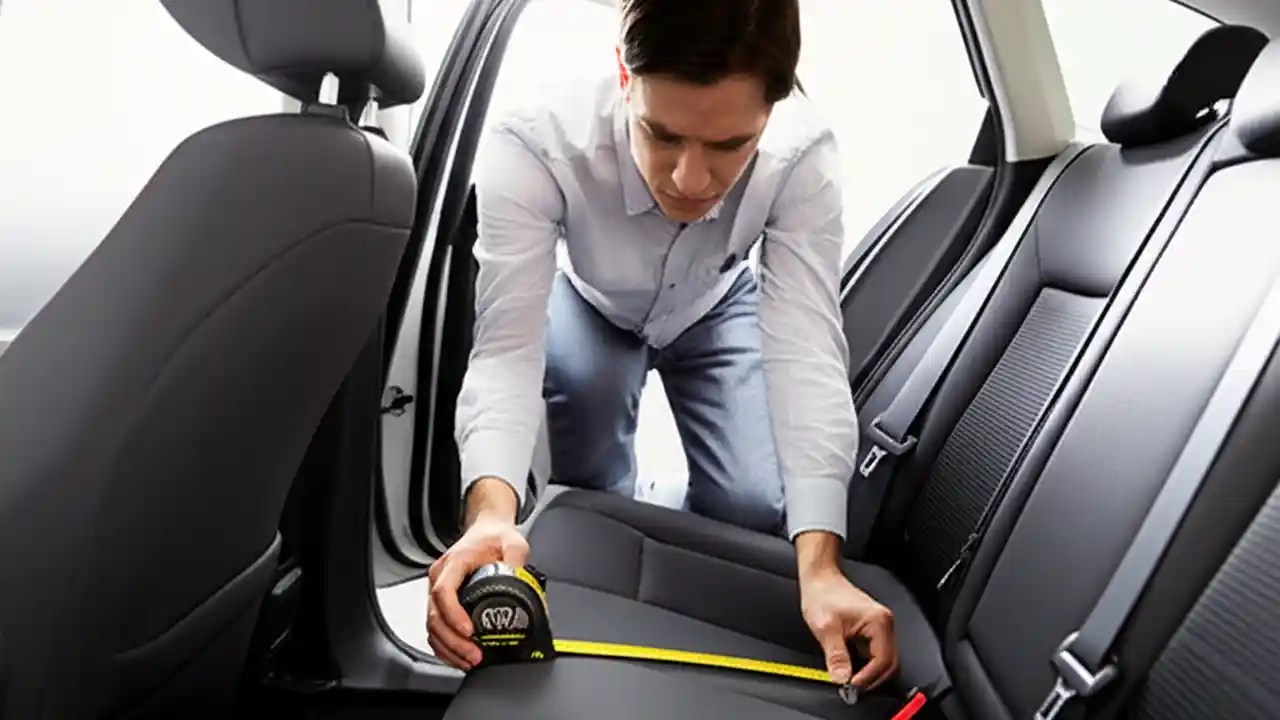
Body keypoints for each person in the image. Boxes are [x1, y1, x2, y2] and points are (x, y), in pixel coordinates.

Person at [427, 0, 899, 694]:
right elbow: (505, 349)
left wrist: (822, 567)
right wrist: (491, 516)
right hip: (592, 303)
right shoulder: (534, 145)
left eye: (729, 147)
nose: (688, 181)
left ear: (772, 108)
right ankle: (624, 503)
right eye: (662, 134)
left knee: (750, 506)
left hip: (715, 306)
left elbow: (807, 353)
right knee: (590, 490)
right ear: (624, 72)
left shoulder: (805, 157)